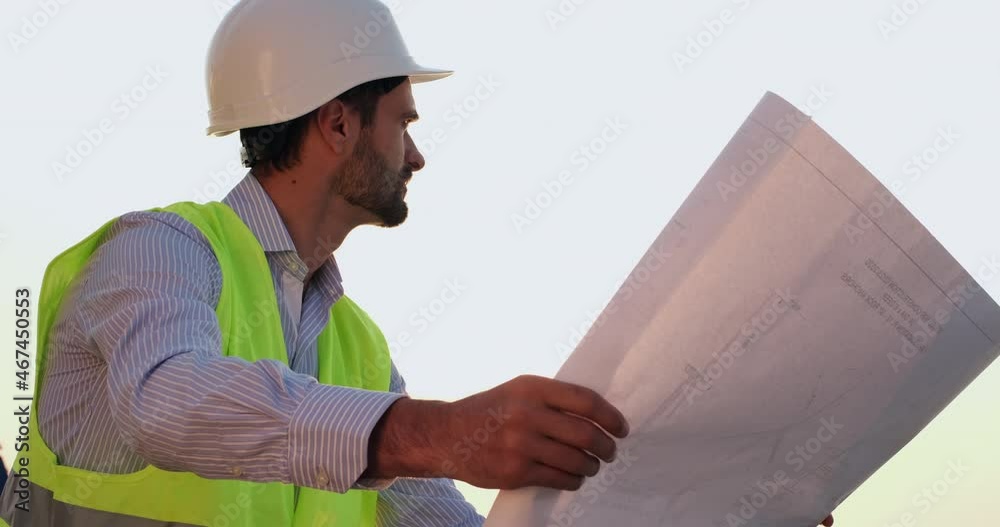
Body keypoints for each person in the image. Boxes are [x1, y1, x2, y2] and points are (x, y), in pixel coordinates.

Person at [0, 0, 834, 525]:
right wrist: (441, 431)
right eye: (402, 121)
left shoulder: (358, 350)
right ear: (337, 124)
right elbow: (166, 401)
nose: (417, 154)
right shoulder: (159, 251)